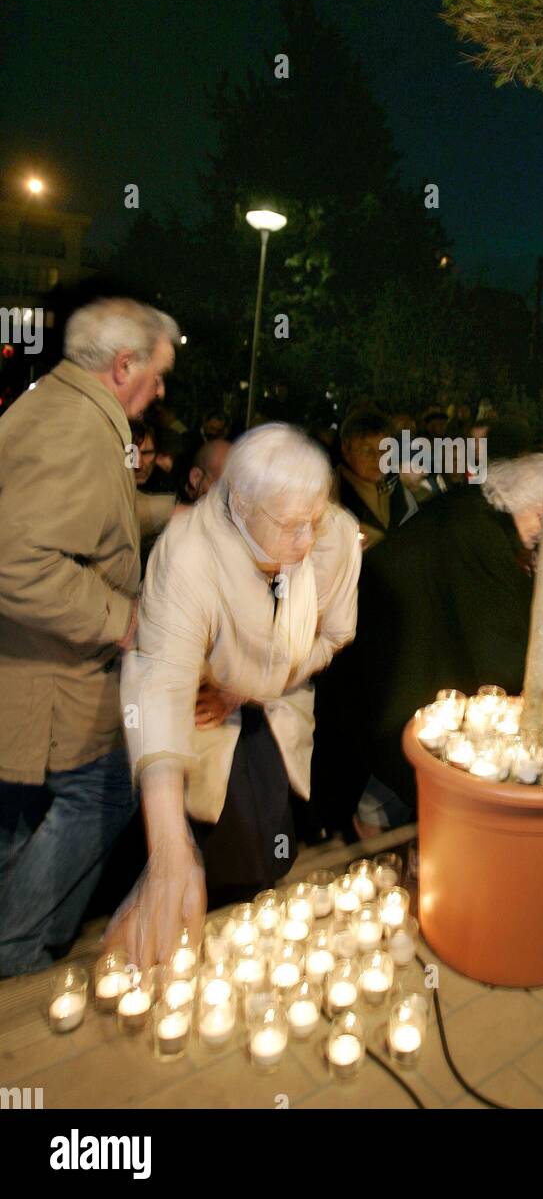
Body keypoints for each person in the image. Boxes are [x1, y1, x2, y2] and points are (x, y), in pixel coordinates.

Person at [109, 424, 361, 966]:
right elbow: (160, 686)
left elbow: (335, 634)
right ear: (242, 506)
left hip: (272, 712)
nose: (306, 544)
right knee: (203, 841)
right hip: (198, 722)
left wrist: (254, 683)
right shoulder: (188, 552)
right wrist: (169, 850)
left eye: (314, 522)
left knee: (265, 848)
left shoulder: (334, 535)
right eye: (292, 527)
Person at [0, 297, 179, 976]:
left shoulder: (61, 407)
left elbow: (95, 510)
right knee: (110, 788)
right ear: (123, 364)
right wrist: (125, 621)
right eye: (157, 373)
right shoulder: (75, 428)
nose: (161, 389)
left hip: (31, 676)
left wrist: (175, 512)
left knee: (17, 826)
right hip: (48, 685)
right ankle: (18, 956)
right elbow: (19, 563)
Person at [313, 455, 543, 831]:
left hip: (383, 658)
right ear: (519, 499)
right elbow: (498, 638)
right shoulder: (481, 534)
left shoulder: (470, 506)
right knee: (404, 765)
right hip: (391, 666)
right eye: (541, 515)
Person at [336, 407, 417, 551]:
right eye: (367, 451)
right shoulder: (332, 497)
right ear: (346, 450)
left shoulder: (400, 493)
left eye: (384, 450)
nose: (378, 458)